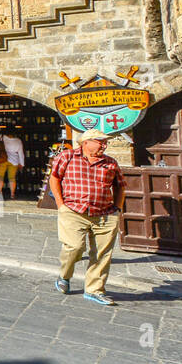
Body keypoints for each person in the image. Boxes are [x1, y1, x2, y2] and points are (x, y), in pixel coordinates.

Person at [49, 129, 126, 306]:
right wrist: (61, 205)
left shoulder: (110, 163)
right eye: (101, 141)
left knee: (102, 253)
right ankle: (65, 275)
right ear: (86, 142)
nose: (104, 145)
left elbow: (120, 186)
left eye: (105, 142)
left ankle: (94, 290)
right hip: (73, 211)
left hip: (105, 214)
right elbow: (54, 179)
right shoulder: (67, 157)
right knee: (74, 247)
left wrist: (117, 209)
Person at [0, 127, 25, 200]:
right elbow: (21, 153)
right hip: (14, 161)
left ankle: (0, 192)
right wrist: (22, 163)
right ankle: (12, 194)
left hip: (2, 160)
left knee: (0, 176)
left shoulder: (1, 137)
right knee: (12, 178)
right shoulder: (18, 141)